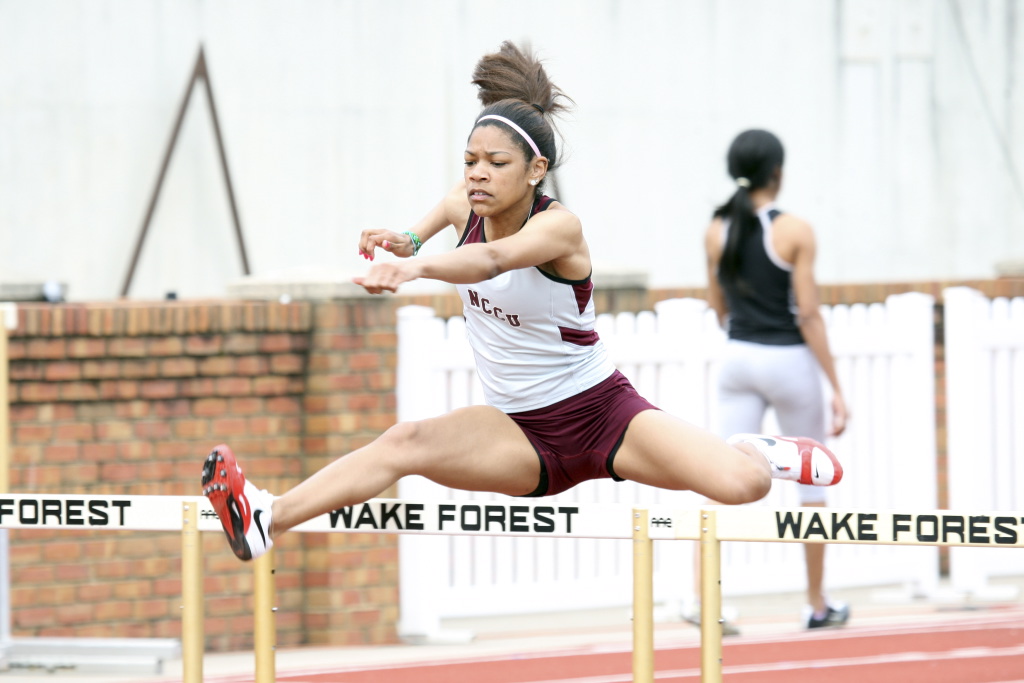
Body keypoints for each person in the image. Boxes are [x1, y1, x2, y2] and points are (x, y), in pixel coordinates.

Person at [201, 43, 843, 573]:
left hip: (602, 414)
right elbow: (433, 222)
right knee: (407, 440)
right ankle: (265, 520)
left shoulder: (559, 229)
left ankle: (764, 451)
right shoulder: (463, 205)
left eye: (495, 163)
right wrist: (407, 240)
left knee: (743, 487)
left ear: (535, 169)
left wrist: (414, 266)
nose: (477, 175)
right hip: (519, 432)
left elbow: (487, 263)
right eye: (469, 162)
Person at [700, 129, 850, 630]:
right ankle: (816, 603)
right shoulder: (797, 231)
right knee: (811, 482)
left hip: (737, 358)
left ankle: (709, 604)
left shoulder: (716, 228)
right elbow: (808, 314)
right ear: (778, 173)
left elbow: (717, 308)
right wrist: (837, 388)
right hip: (788, 359)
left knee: (718, 476)